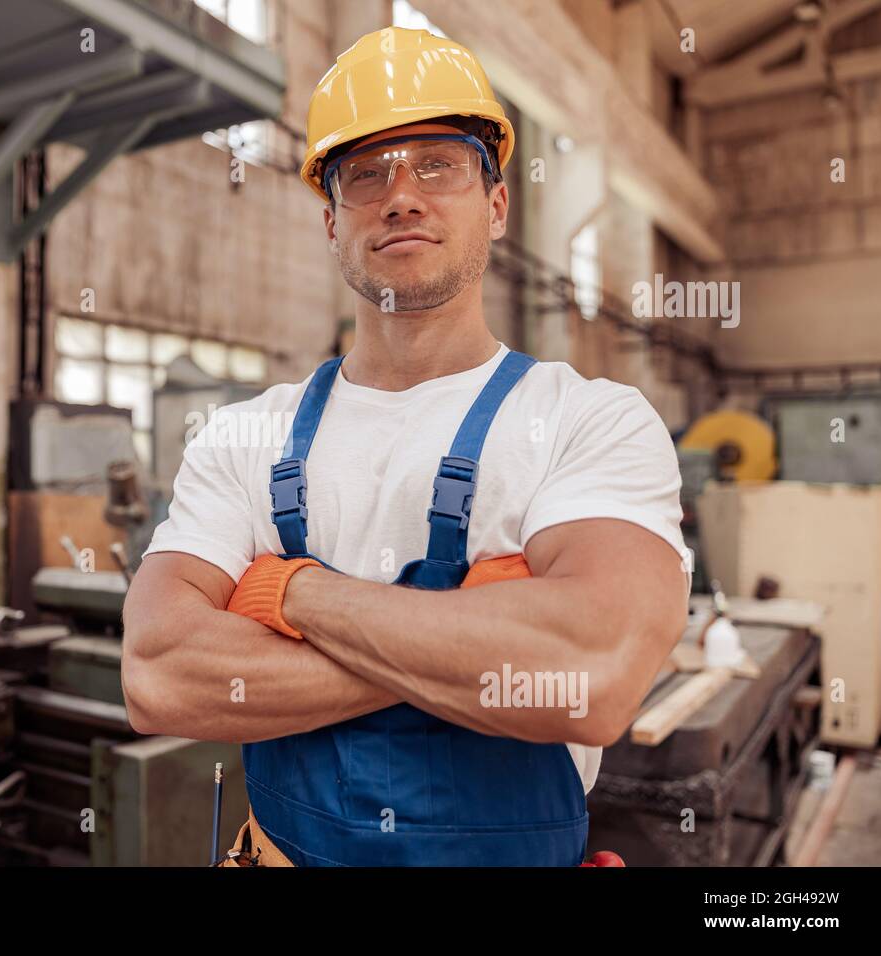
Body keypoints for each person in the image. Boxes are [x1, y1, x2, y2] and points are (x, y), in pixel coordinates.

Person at [122, 27, 690, 867]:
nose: (401, 195)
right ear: (331, 219)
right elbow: (158, 675)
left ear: (497, 203)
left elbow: (589, 674)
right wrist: (479, 637)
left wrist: (293, 595)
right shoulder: (247, 434)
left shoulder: (590, 419)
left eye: (438, 164)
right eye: (366, 173)